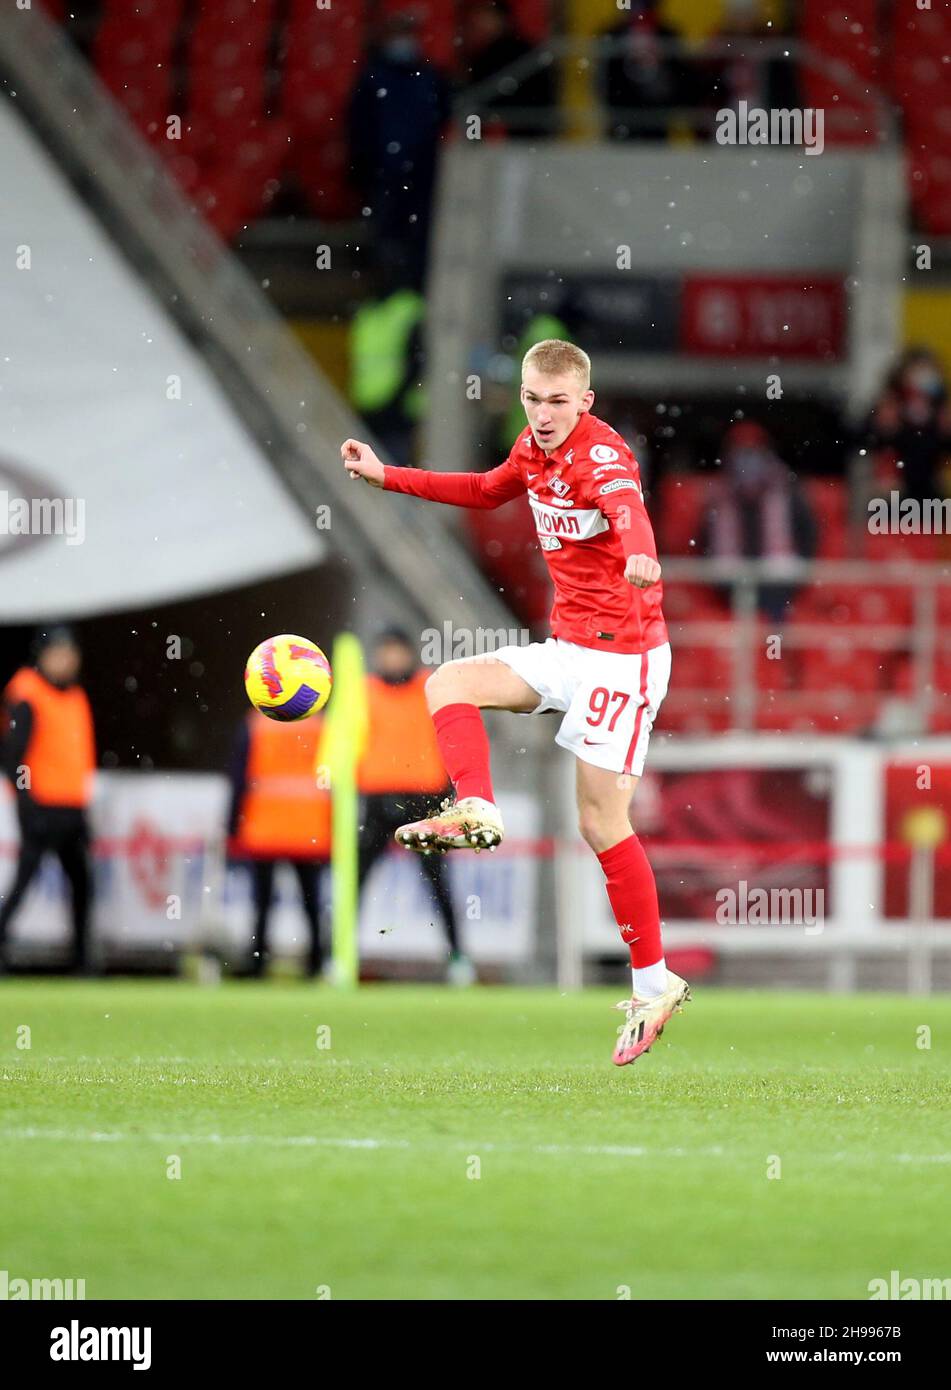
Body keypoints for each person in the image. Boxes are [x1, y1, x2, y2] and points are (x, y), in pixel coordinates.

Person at [341, 339, 690, 1065]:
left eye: (557, 401)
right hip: (568, 648)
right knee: (447, 683)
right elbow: (482, 489)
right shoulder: (532, 451)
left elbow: (627, 508)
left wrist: (639, 552)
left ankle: (653, 983)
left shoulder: (602, 457)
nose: (542, 413)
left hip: (623, 662)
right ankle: (478, 806)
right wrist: (386, 477)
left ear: (584, 402)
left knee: (600, 823)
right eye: (532, 399)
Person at [357, 628, 474, 986]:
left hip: (423, 797)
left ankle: (457, 957)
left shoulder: (430, 687)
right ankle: (338, 954)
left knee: (438, 882)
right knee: (354, 880)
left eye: (397, 652)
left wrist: (451, 790)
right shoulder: (364, 690)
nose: (392, 660)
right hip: (377, 796)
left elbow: (450, 736)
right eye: (386, 652)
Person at [0, 626, 96, 973]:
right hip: (41, 805)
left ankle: (82, 960)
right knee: (25, 881)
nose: (68, 661)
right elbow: (13, 755)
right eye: (60, 653)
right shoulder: (28, 692)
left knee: (83, 883)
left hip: (72, 806)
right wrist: (26, 801)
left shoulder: (74, 695)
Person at [347, 11, 451, 289]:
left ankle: (416, 289)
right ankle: (388, 289)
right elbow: (360, 128)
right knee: (387, 237)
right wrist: (365, 168)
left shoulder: (430, 77)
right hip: (385, 175)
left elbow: (445, 119)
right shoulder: (372, 79)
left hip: (424, 176)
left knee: (422, 239)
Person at [227, 709, 330, 978]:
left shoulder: (256, 723)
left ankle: (258, 963)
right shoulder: (320, 724)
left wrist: (232, 827)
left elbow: (239, 777)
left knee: (261, 903)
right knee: (312, 902)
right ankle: (317, 963)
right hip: (309, 827)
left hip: (266, 825)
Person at [699, 422, 817, 623]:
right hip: (729, 588)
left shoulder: (788, 493)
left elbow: (808, 536)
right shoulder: (717, 498)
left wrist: (792, 570)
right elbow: (704, 544)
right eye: (742, 453)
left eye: (753, 452)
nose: (748, 462)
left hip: (779, 586)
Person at [865, 347, 951, 505]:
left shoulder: (940, 410)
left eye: (927, 370)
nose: (923, 377)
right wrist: (883, 430)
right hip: (891, 497)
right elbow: (866, 441)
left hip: (932, 495)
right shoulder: (889, 406)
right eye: (918, 370)